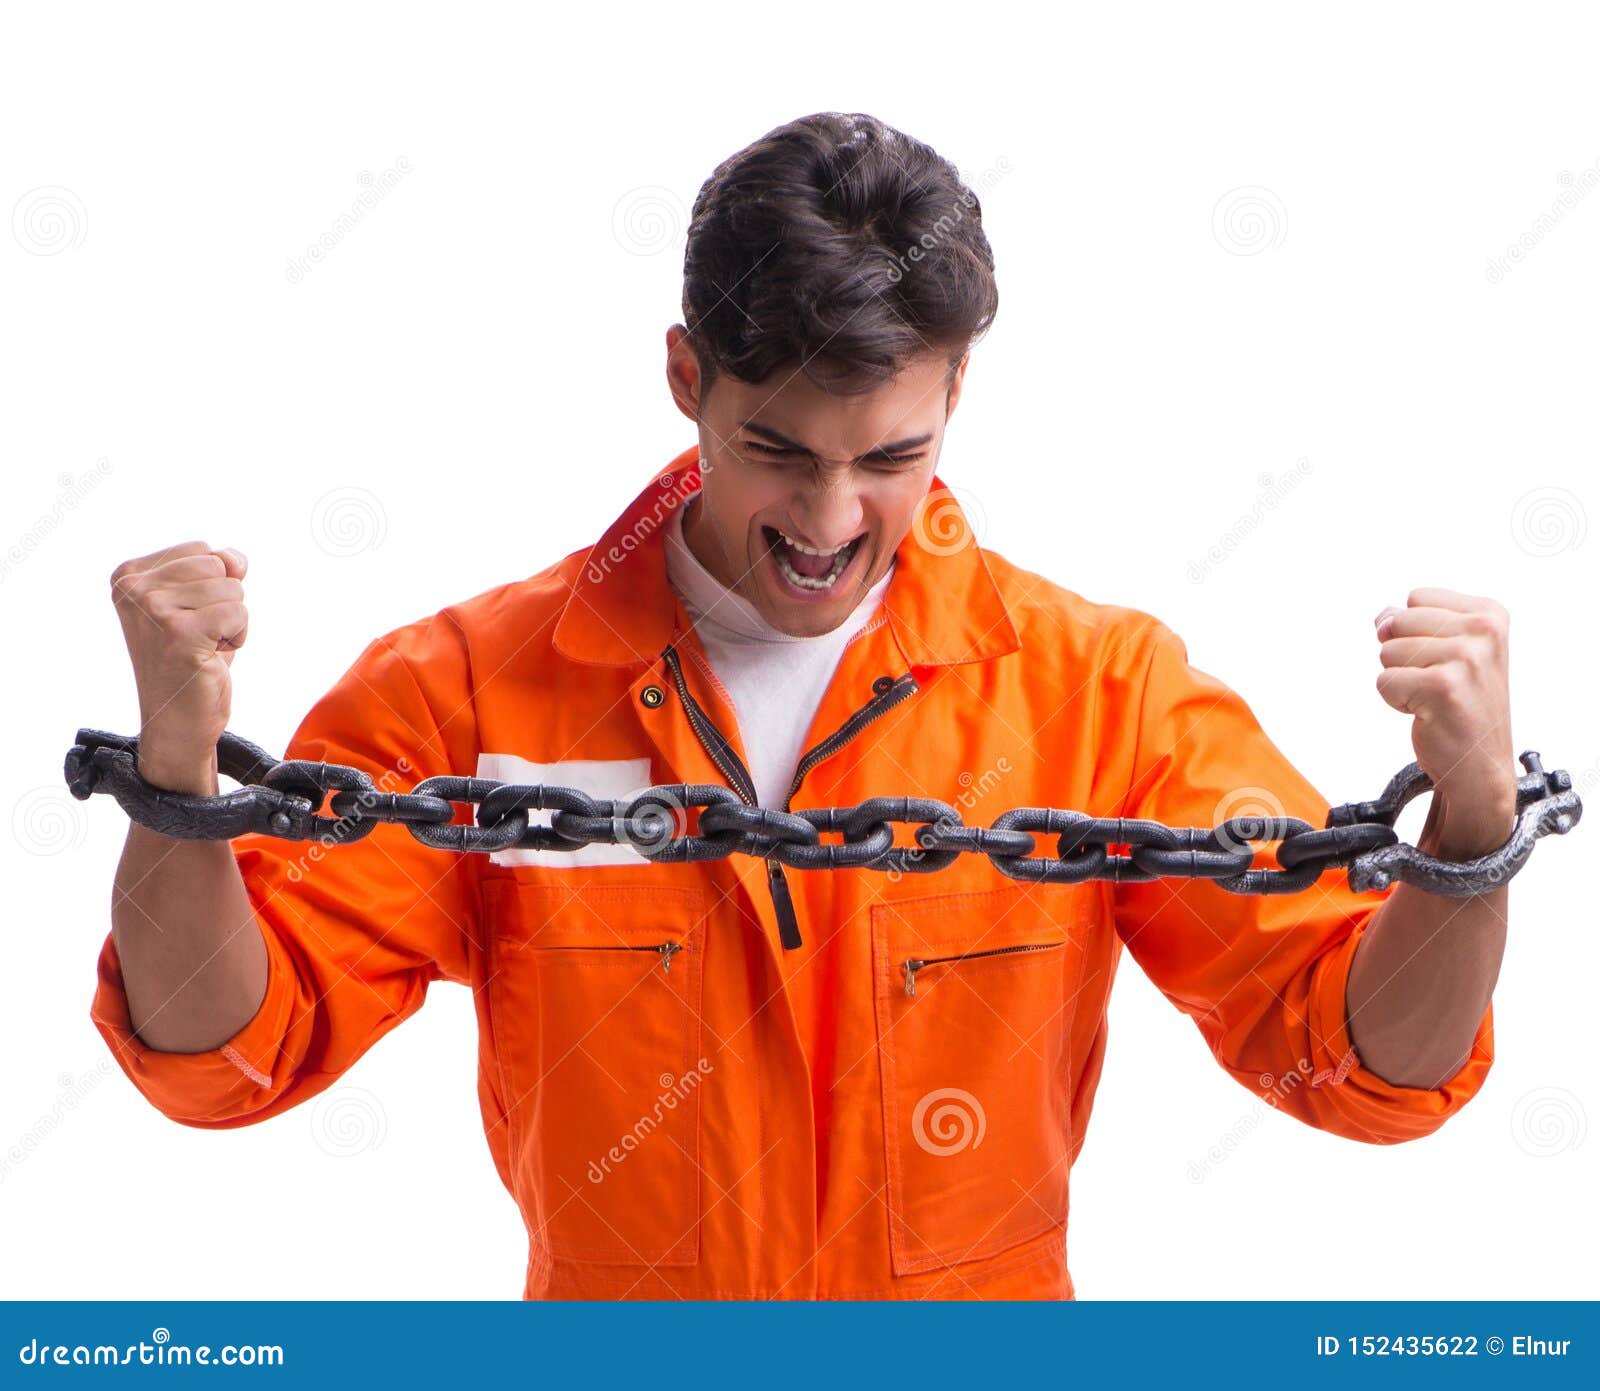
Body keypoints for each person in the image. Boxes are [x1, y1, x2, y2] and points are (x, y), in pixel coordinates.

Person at [93, 112, 1518, 1300]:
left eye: (890, 455)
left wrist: (1469, 830)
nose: (829, 522)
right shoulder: (470, 693)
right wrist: (174, 765)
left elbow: (1356, 1065)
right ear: (685, 378)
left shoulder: (1100, 694)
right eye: (775, 449)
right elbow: (223, 1058)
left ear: (959, 388)